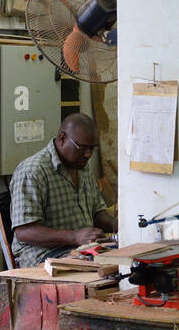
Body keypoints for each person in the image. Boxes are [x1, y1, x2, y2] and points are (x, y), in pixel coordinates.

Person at [9, 113, 117, 268]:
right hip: (43, 256)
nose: (88, 155)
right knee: (104, 267)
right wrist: (74, 237)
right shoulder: (32, 171)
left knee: (126, 258)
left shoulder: (82, 167)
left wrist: (121, 227)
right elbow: (24, 231)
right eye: (82, 148)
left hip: (79, 249)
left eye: (92, 149)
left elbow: (97, 213)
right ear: (62, 138)